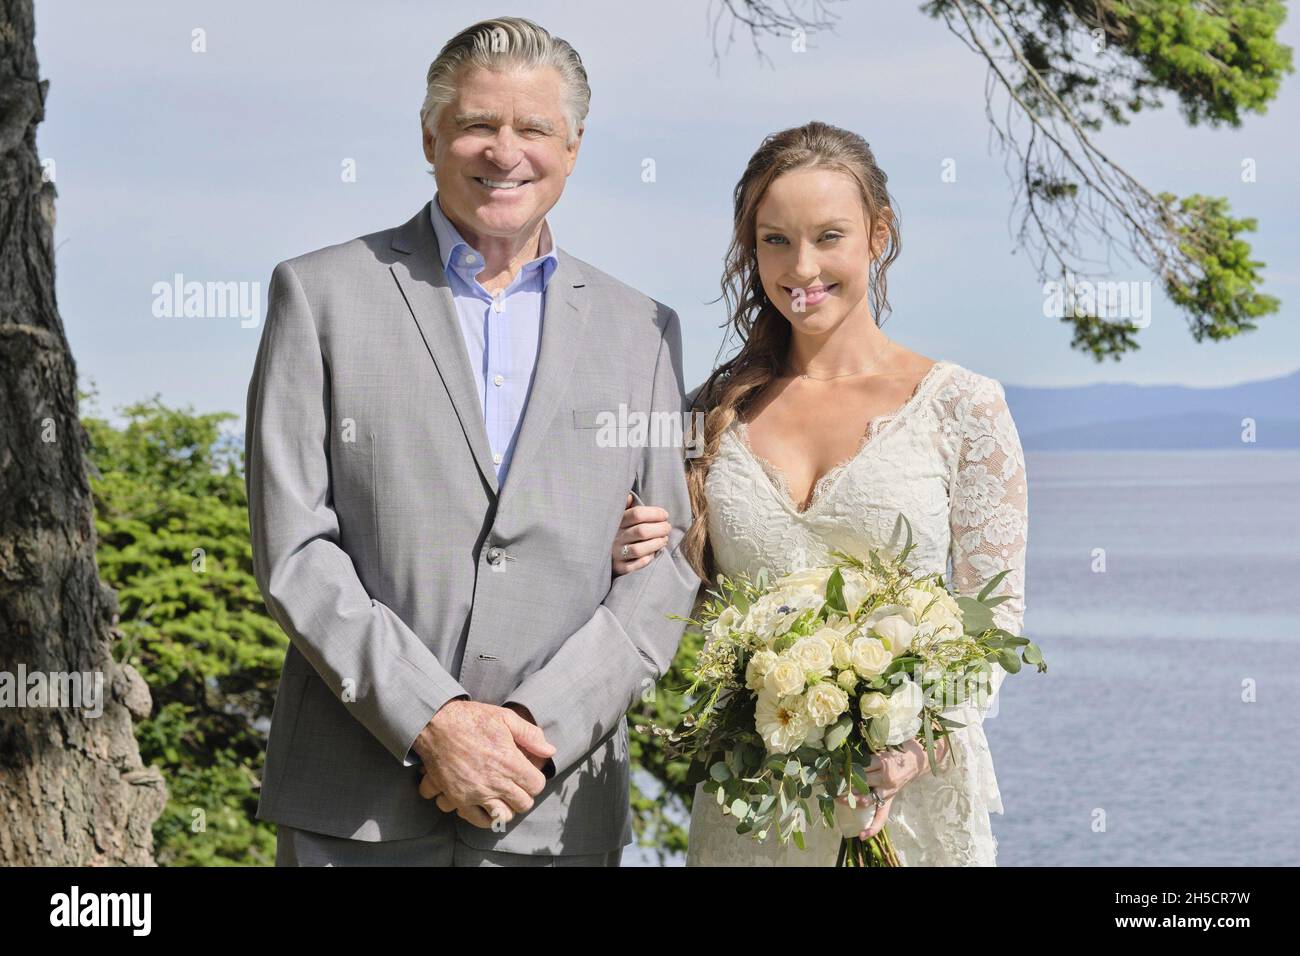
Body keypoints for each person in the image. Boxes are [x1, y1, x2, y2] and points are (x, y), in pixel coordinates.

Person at [246, 16, 701, 867]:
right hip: (356, 811)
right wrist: (435, 721)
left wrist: (533, 729)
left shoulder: (643, 329)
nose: (505, 151)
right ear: (430, 137)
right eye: (478, 125)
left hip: (555, 806)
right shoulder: (318, 297)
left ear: (573, 146)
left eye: (533, 128)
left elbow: (667, 569)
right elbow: (294, 549)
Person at [612, 121, 1028, 866]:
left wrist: (917, 742)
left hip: (911, 802)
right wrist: (624, 547)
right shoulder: (707, 416)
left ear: (878, 233)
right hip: (752, 804)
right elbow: (678, 592)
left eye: (828, 236)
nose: (801, 267)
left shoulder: (964, 407)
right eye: (775, 240)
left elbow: (993, 617)